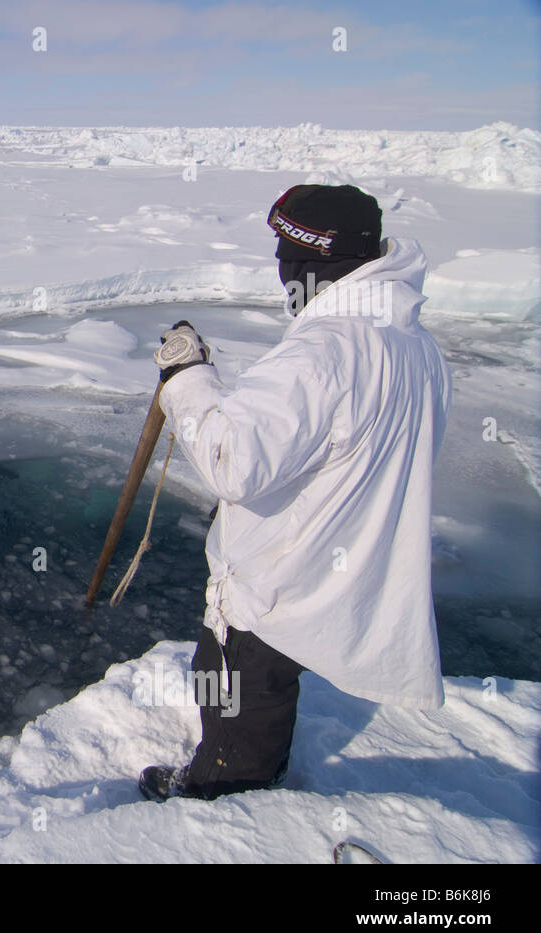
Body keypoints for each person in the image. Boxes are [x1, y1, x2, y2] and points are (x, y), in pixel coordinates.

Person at [140, 184, 452, 801]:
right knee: (269, 676)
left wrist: (187, 377)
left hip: (281, 573)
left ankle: (222, 794)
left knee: (231, 678)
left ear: (307, 261)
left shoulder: (322, 350)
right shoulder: (414, 342)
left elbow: (233, 462)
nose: (281, 272)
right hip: (342, 558)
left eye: (285, 254)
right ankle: (242, 768)